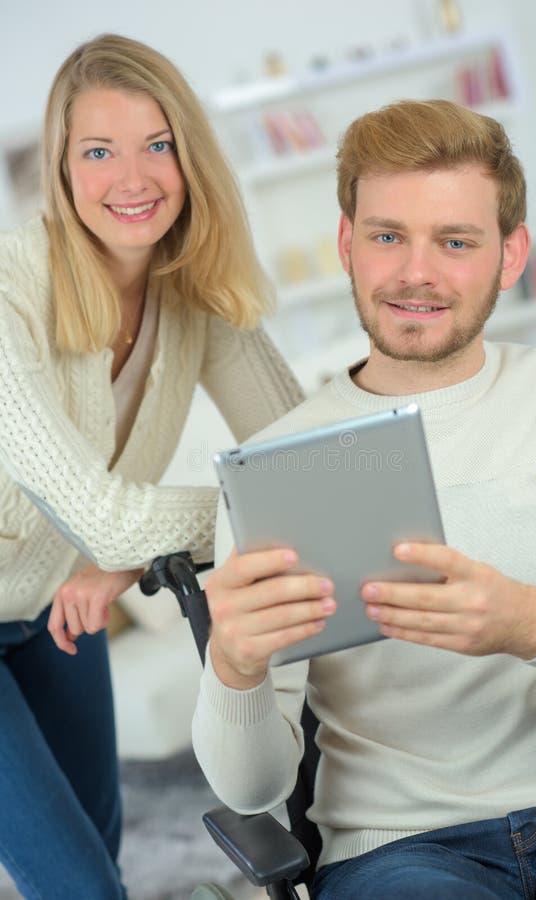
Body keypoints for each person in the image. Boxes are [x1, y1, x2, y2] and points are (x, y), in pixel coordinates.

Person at [192, 99, 536, 899]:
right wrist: (233, 665)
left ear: (509, 254)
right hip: (402, 849)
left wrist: (528, 621)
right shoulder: (274, 465)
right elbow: (250, 794)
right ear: (347, 244)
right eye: (387, 236)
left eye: (454, 241)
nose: (417, 272)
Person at [0, 33, 304, 900]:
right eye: (98, 151)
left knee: (101, 864)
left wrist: (123, 550)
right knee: (78, 886)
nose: (132, 178)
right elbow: (107, 518)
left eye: (157, 145)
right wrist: (129, 546)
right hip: (52, 587)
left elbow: (301, 458)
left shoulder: (193, 286)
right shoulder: (9, 289)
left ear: (190, 158)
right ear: (62, 170)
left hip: (56, 612)